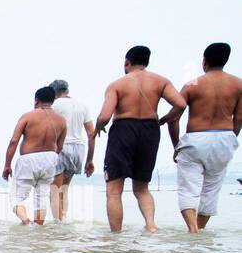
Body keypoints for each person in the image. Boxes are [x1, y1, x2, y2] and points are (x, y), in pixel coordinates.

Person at [94, 46, 187, 233]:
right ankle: (151, 226)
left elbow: (105, 116)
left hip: (123, 129)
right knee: (142, 187)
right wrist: (166, 119)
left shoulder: (117, 85)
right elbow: (180, 104)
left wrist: (98, 126)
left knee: (114, 189)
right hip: (150, 130)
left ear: (127, 63)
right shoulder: (161, 82)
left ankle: (116, 236)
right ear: (146, 62)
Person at [165, 42, 242, 233]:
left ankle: (193, 230)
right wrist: (230, 140)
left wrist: (176, 145)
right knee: (211, 191)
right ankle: (199, 232)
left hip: (196, 140)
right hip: (225, 138)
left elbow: (174, 117)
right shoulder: (238, 84)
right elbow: (239, 118)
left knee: (188, 189)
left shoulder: (193, 84)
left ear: (204, 61)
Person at [2, 87, 65, 225]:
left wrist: (7, 165)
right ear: (53, 100)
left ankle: (25, 221)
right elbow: (60, 147)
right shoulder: (61, 120)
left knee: (16, 199)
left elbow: (14, 141)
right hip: (50, 158)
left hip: (28, 159)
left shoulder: (28, 116)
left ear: (37, 100)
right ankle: (38, 227)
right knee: (41, 198)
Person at [48, 79, 95, 221]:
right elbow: (91, 134)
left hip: (61, 147)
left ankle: (57, 224)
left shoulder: (54, 105)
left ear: (54, 92)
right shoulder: (82, 106)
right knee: (64, 189)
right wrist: (90, 159)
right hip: (78, 149)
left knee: (54, 190)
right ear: (66, 90)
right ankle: (63, 220)